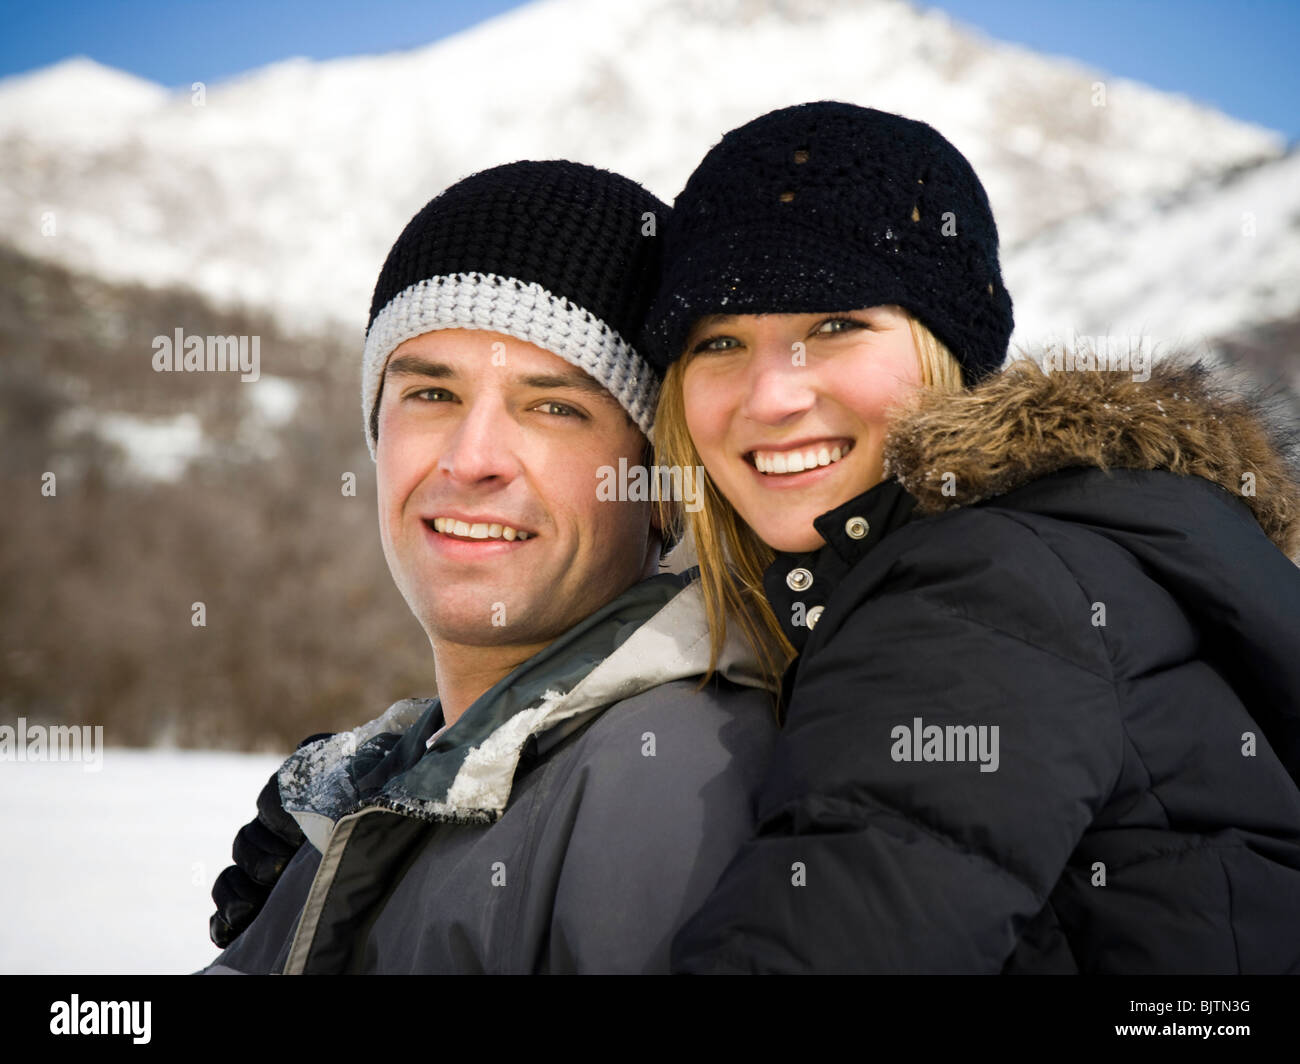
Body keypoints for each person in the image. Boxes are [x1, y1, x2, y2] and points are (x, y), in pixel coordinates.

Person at [641, 101, 1300, 973]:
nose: (771, 396)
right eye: (719, 340)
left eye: (834, 325)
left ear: (946, 352)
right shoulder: (1076, 547)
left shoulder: (984, 588)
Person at [202, 160, 776, 974]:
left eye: (554, 408)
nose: (471, 460)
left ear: (660, 488)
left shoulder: (671, 778)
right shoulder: (416, 780)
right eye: (431, 394)